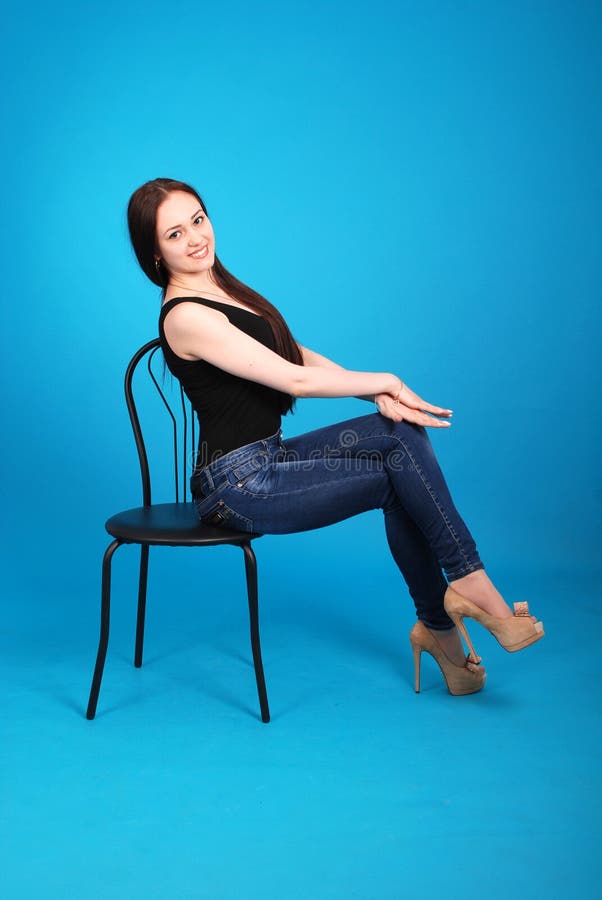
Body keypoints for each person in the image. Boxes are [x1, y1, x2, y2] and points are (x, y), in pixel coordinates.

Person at [126, 177, 544, 697]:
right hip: (236, 485)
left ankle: (449, 623)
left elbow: (295, 354)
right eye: (174, 233)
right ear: (155, 253)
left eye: (198, 219)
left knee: (397, 432)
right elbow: (292, 379)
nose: (195, 237)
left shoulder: (221, 288)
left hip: (269, 457)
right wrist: (385, 380)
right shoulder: (185, 315)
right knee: (396, 468)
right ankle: (463, 597)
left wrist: (375, 399)